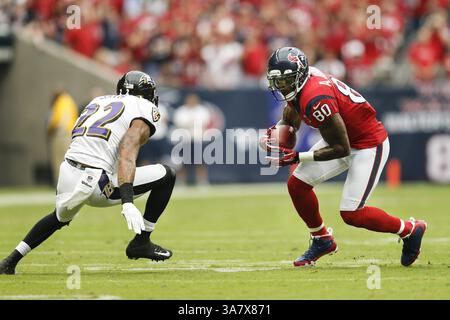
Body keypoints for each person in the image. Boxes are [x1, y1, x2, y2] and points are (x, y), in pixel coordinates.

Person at [262, 47, 427, 267]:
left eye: (286, 81)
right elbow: (292, 118)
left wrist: (297, 157)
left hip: (367, 144)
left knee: (352, 213)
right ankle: (322, 239)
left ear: (300, 75)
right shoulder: (302, 85)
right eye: (278, 82)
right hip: (341, 140)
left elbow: (341, 148)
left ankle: (409, 229)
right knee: (297, 185)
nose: (282, 86)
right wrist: (277, 132)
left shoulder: (316, 97)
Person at [0, 71, 175, 275]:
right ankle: (141, 242)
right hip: (97, 182)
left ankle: (10, 261)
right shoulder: (143, 108)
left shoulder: (98, 101)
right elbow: (127, 150)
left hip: (68, 171)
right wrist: (128, 202)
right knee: (167, 175)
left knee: (59, 218)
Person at [46, 89, 79, 185]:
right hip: (70, 134)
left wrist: (49, 130)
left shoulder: (60, 102)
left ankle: (61, 184)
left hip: (60, 135)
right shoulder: (70, 101)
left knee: (58, 161)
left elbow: (55, 120)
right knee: (69, 161)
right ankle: (71, 183)